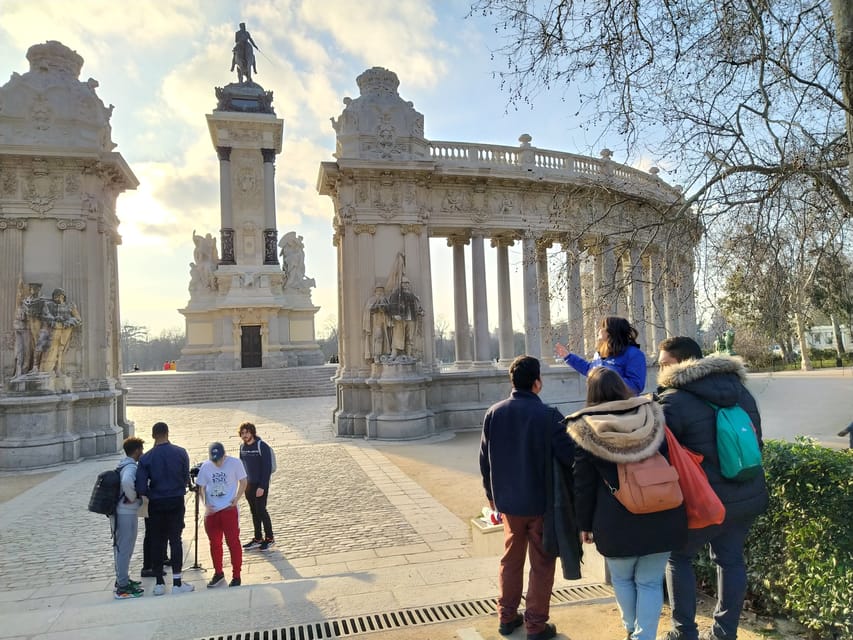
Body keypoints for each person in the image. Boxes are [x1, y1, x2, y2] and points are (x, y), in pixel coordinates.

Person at [656, 337, 769, 640]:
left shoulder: (672, 401)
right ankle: (724, 633)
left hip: (704, 500)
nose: (659, 369)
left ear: (682, 363)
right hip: (746, 493)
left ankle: (684, 633)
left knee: (678, 558)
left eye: (664, 363)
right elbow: (757, 440)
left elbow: (660, 455)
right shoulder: (740, 393)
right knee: (731, 560)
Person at [565, 367, 687, 640]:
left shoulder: (585, 428)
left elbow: (582, 485)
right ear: (622, 387)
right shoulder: (652, 414)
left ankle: (632, 631)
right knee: (650, 582)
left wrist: (583, 525)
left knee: (621, 579)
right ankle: (644, 636)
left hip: (615, 521)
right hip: (662, 512)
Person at [479, 355, 575, 640]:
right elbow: (570, 456)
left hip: (509, 503)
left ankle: (506, 616)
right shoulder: (548, 416)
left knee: (510, 559)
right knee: (542, 563)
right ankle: (535, 624)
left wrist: (491, 496)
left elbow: (485, 460)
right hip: (541, 503)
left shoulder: (494, 413)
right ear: (537, 383)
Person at [135, 421, 195, 595]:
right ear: (168, 433)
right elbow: (186, 478)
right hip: (176, 499)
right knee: (175, 539)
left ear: (153, 436)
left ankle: (159, 582)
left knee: (157, 541)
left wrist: (149, 493)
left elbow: (140, 487)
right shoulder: (181, 452)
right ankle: (177, 581)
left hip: (156, 501)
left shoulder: (146, 458)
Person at [195, 442, 247, 588]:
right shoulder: (206, 466)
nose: (217, 463)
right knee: (215, 544)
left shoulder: (235, 463)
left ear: (224, 455)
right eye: (214, 460)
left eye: (219, 459)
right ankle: (218, 572)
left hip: (228, 509)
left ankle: (237, 575)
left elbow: (243, 481)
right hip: (212, 512)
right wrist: (205, 504)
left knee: (233, 542)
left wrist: (236, 499)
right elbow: (201, 487)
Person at [555, 316, 647, 395]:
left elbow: (636, 385)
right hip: (599, 405)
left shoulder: (634, 354)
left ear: (612, 332)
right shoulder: (599, 353)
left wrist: (607, 379)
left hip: (623, 410)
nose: (599, 330)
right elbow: (590, 370)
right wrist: (569, 357)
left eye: (603, 326)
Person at [113, 436, 145, 600]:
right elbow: (126, 482)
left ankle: (123, 579)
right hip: (126, 511)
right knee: (125, 548)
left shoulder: (123, 464)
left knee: (122, 547)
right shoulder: (131, 467)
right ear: (137, 450)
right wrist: (133, 497)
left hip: (122, 512)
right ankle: (122, 587)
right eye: (141, 449)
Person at [238, 422, 275, 551]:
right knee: (254, 512)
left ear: (252, 432)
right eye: (242, 433)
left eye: (247, 432)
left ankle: (269, 538)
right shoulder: (242, 448)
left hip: (260, 485)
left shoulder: (262, 446)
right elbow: (241, 467)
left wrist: (262, 486)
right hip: (249, 485)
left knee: (261, 511)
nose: (244, 435)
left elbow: (267, 468)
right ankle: (258, 538)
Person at [387, 277, 424, 357]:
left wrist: (420, 311)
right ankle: (394, 353)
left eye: (407, 283)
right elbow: (391, 306)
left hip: (411, 319)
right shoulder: (396, 294)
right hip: (401, 318)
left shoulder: (413, 295)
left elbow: (417, 306)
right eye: (404, 283)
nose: (406, 285)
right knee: (398, 336)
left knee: (410, 337)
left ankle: (409, 354)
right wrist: (394, 315)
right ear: (401, 284)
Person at [362, 285, 391, 361]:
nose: (380, 292)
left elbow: (389, 309)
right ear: (375, 291)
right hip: (375, 323)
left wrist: (385, 308)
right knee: (378, 337)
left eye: (382, 290)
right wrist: (377, 307)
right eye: (378, 290)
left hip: (384, 322)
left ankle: (384, 355)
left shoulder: (385, 300)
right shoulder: (371, 300)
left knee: (385, 338)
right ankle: (377, 355)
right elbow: (368, 309)